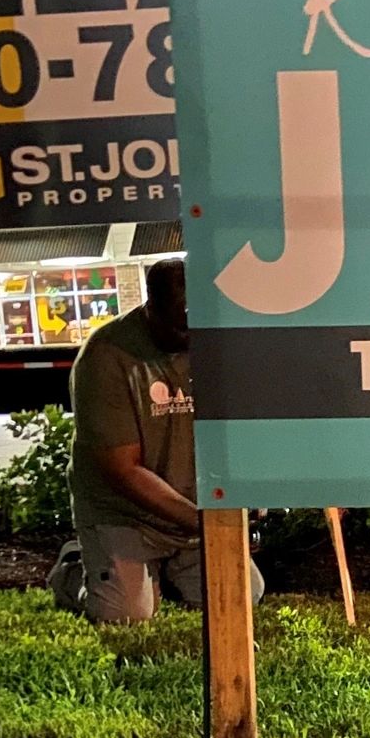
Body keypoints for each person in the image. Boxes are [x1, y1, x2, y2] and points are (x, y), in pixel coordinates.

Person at [47, 257, 264, 624]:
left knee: (245, 596)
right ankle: (73, 571)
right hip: (128, 515)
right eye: (181, 327)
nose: (191, 337)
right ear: (151, 308)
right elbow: (122, 469)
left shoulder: (217, 343)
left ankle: (171, 572)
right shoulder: (107, 356)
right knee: (125, 615)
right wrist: (201, 520)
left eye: (199, 325)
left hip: (194, 512)